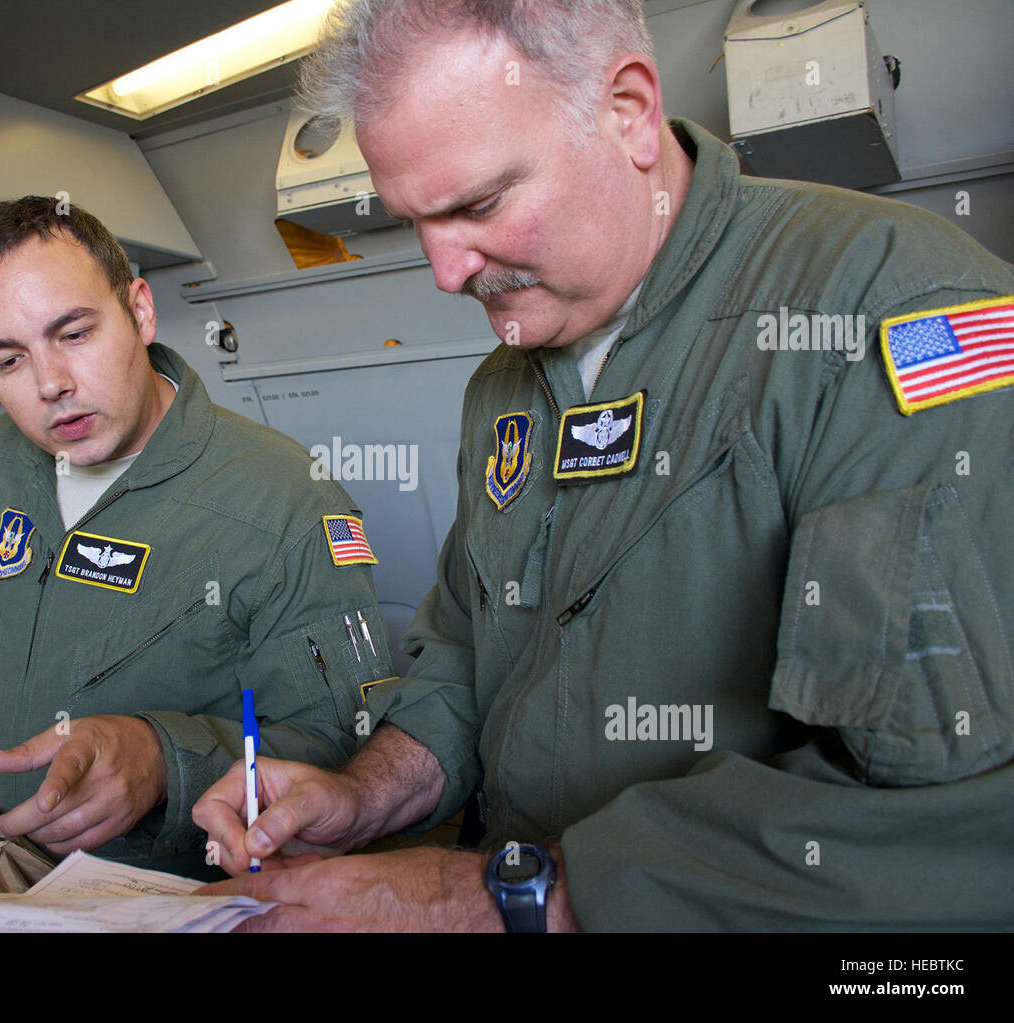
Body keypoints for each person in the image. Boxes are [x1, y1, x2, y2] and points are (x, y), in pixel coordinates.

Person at [194, 0, 1014, 929]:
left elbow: (953, 815)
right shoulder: (506, 387)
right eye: (413, 219)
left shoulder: (888, 311)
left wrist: (503, 898)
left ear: (626, 111)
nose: (444, 271)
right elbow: (469, 654)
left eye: (479, 204)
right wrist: (366, 796)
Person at [0, 197, 395, 877]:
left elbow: (339, 749)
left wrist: (164, 758)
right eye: (8, 360)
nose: (50, 384)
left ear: (141, 312)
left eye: (74, 334)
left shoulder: (287, 504)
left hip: (166, 893)